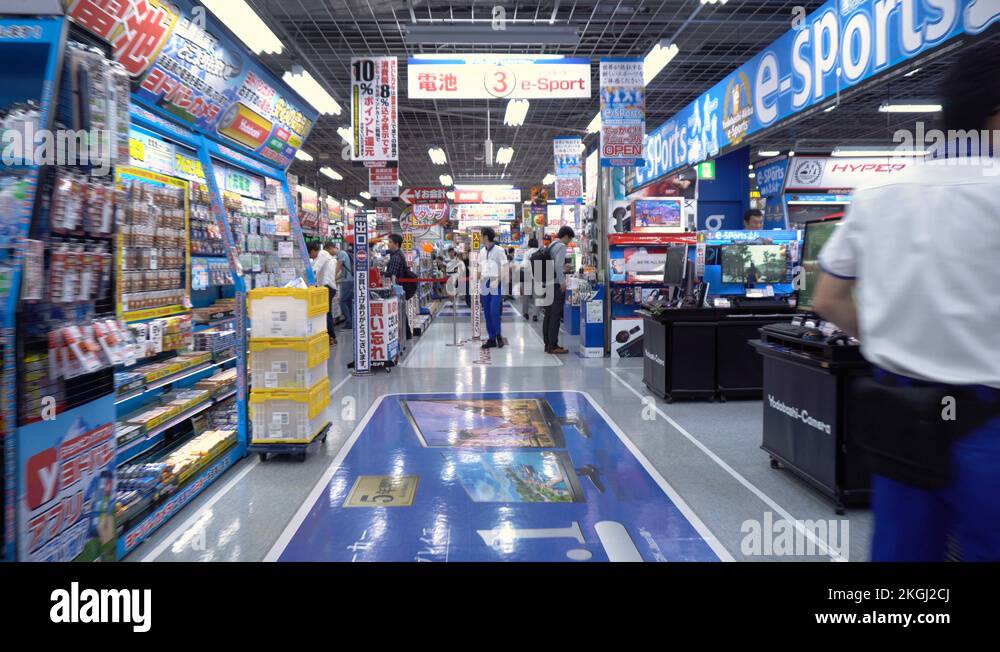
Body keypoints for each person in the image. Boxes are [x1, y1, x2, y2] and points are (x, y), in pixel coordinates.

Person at [812, 44, 1000, 562]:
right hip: (989, 425)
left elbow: (827, 298)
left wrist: (890, 337)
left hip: (902, 417)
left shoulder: (878, 195)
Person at [542, 226, 574, 354]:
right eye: (569, 239)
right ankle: (553, 345)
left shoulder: (551, 245)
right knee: (555, 315)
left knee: (548, 315)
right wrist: (562, 282)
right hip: (556, 285)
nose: (569, 242)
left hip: (548, 283)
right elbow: (558, 266)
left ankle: (547, 344)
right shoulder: (561, 246)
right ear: (566, 236)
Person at [478, 226, 507, 349]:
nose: (479, 237)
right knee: (487, 313)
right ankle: (491, 338)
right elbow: (480, 267)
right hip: (484, 284)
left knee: (494, 311)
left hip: (495, 283)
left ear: (486, 237)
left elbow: (505, 267)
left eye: (481, 235)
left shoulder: (499, 250)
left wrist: (498, 280)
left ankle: (498, 335)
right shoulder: (482, 251)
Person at [384, 233, 413, 340]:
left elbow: (392, 273)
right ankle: (406, 334)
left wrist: (382, 272)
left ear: (396, 244)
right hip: (400, 287)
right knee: (400, 311)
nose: (388, 244)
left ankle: (405, 334)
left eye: (390, 242)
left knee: (399, 311)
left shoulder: (396, 257)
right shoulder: (398, 254)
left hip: (397, 287)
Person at [309, 241, 337, 345]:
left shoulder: (322, 254)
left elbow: (316, 269)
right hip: (328, 287)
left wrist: (310, 282)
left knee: (326, 312)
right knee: (326, 312)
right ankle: (330, 336)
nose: (311, 257)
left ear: (312, 251)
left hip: (327, 287)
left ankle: (331, 337)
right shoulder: (325, 256)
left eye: (310, 255)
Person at [328, 241, 354, 331]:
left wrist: (331, 277)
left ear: (331, 248)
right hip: (350, 280)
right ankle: (351, 322)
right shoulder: (345, 253)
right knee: (349, 302)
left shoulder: (341, 254)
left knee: (342, 302)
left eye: (328, 251)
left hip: (347, 281)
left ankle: (348, 322)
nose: (329, 254)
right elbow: (343, 272)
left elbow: (337, 268)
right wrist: (333, 279)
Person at [521, 237, 540, 322]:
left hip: (528, 276)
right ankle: (535, 315)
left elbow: (524, 265)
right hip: (539, 277)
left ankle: (526, 313)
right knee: (537, 297)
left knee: (526, 296)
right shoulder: (540, 251)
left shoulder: (527, 253)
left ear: (529, 245)